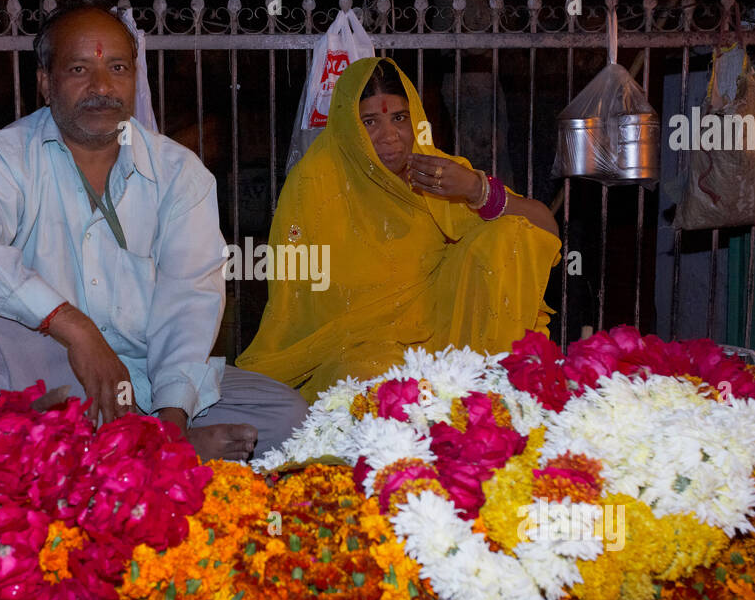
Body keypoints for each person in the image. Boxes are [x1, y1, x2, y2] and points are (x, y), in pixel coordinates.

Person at [0, 1, 308, 461]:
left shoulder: (178, 172)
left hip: (141, 371)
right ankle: (139, 450)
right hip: (48, 361)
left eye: (117, 68)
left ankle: (140, 443)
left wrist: (174, 413)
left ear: (134, 78)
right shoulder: (4, 156)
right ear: (46, 83)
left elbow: (190, 300)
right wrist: (74, 328)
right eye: (80, 68)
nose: (102, 86)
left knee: (289, 418)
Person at [236, 56, 562, 402]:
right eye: (370, 122)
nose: (389, 136)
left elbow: (545, 227)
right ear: (348, 126)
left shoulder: (436, 172)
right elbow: (293, 307)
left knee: (509, 235)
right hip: (358, 352)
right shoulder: (314, 185)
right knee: (377, 380)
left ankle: (487, 398)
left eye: (399, 118)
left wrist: (475, 190)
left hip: (445, 337)